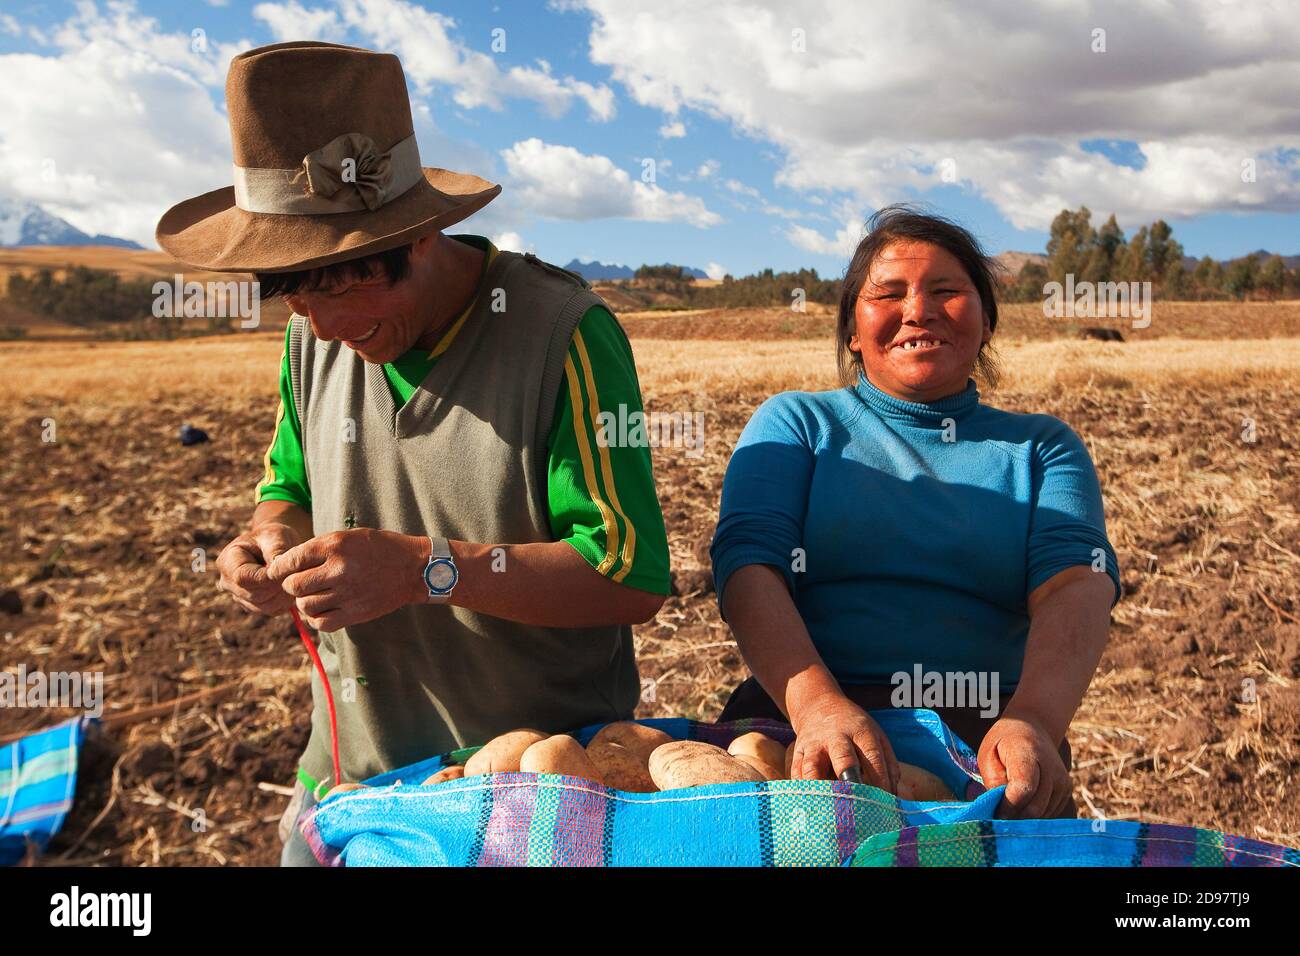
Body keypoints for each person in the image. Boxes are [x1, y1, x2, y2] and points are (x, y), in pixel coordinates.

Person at [155, 41, 670, 865]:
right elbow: (287, 479)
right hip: (348, 774)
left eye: (341, 283)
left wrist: (427, 569)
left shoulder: (562, 337)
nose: (319, 325)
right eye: (292, 288)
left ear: (421, 235)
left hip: (535, 789)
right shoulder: (308, 340)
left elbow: (627, 576)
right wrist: (268, 536)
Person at [710, 205, 1120, 819]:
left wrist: (1033, 720)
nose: (918, 310)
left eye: (947, 291)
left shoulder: (1042, 447)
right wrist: (819, 706)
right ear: (852, 329)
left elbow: (1075, 584)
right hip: (800, 732)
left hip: (988, 742)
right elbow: (749, 565)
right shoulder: (798, 422)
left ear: (986, 322)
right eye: (889, 293)